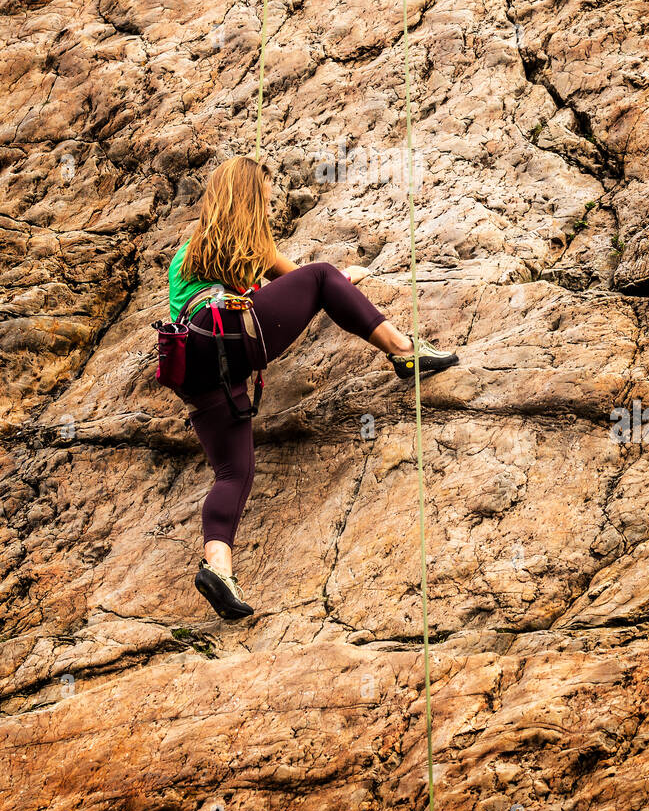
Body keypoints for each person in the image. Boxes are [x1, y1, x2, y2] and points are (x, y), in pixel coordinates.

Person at [166, 155, 458, 621]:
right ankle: (404, 350)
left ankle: (217, 567)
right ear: (246, 198)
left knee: (233, 473)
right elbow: (308, 281)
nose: (267, 206)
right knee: (322, 274)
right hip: (232, 338)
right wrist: (343, 279)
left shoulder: (186, 254)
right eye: (262, 197)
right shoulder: (249, 240)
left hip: (193, 367)